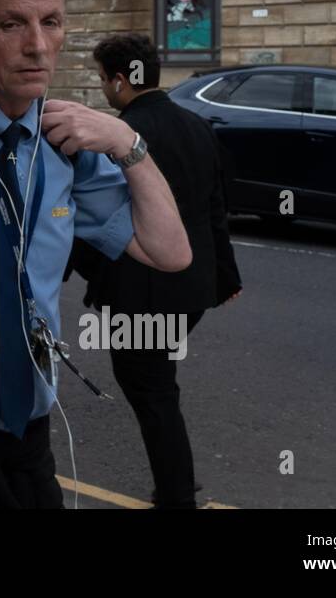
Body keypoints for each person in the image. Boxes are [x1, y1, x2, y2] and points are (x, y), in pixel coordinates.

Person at [0, 0, 192, 509]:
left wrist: (128, 143)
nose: (37, 45)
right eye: (10, 24)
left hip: (30, 433)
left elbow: (170, 252)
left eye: (52, 22)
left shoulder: (68, 144)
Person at [69, 32, 242, 509]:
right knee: (159, 385)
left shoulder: (119, 140)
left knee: (151, 394)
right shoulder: (196, 125)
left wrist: (83, 274)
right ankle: (177, 481)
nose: (104, 89)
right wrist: (226, 277)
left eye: (104, 79)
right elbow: (214, 208)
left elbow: (95, 224)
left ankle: (176, 495)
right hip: (191, 290)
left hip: (141, 292)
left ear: (121, 80)